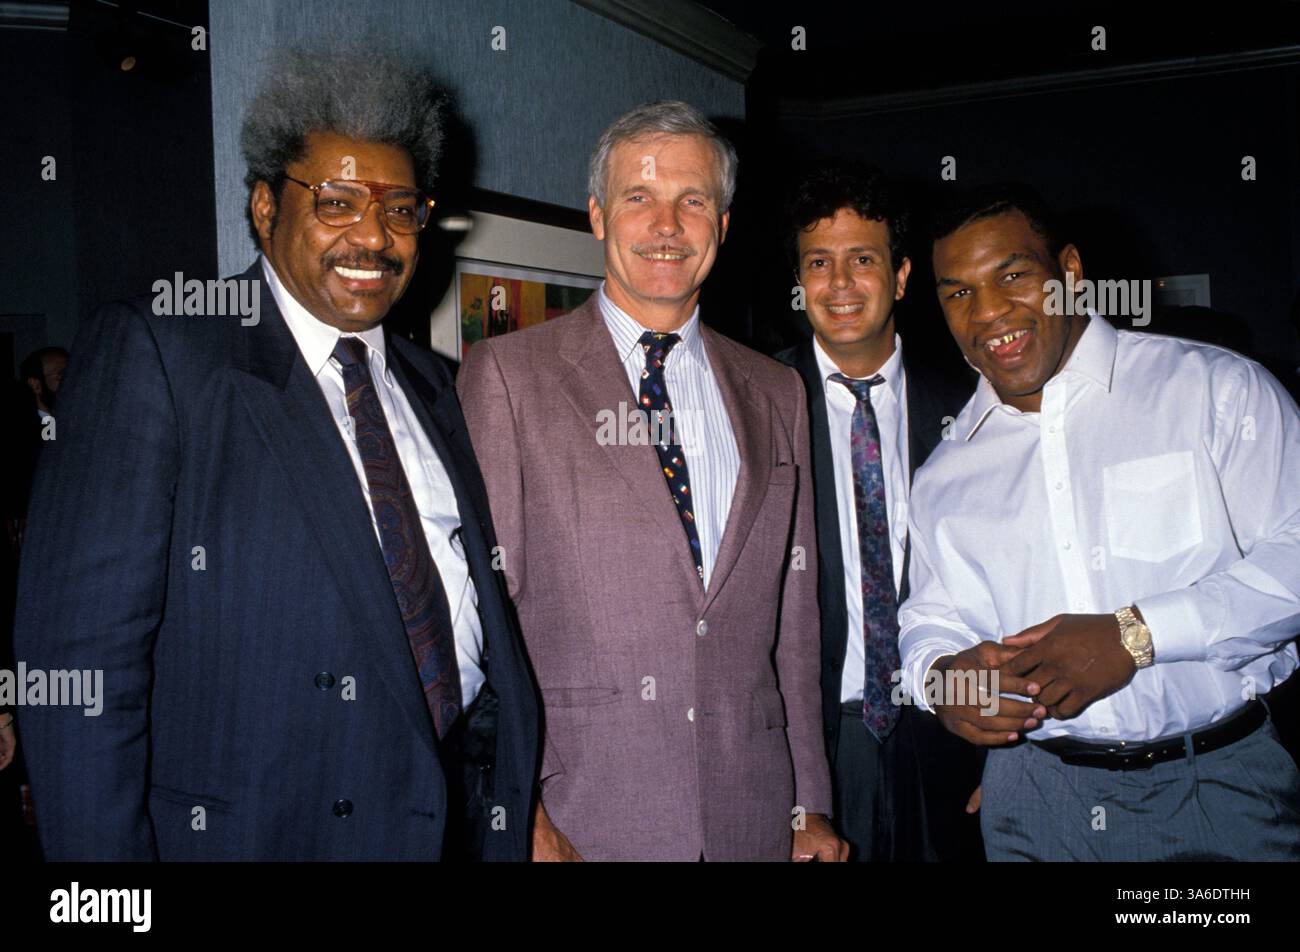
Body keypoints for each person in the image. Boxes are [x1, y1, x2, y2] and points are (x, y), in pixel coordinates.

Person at [14, 50, 537, 861]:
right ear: (265, 208)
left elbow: (477, 623)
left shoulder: (438, 386)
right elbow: (83, 676)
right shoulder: (163, 358)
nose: (373, 234)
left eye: (401, 209)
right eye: (336, 201)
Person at [458, 101, 844, 861]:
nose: (667, 225)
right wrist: (520, 811)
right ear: (598, 216)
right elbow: (480, 621)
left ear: (723, 224)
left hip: (752, 817)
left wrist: (809, 805)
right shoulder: (508, 377)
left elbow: (794, 628)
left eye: (692, 200)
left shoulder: (777, 391)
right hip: (582, 817)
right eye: (640, 198)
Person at [899, 183, 1300, 860]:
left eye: (1014, 275)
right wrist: (945, 683)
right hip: (1030, 796)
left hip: (1211, 790)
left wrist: (1134, 634)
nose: (990, 311)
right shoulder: (945, 471)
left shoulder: (1214, 389)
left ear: (1071, 273)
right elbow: (929, 623)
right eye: (958, 292)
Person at [776, 161, 983, 861]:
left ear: (899, 276)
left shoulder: (975, 408)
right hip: (812, 746)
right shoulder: (753, 404)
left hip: (949, 733)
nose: (838, 284)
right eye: (818, 263)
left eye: (861, 260)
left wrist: (1010, 746)